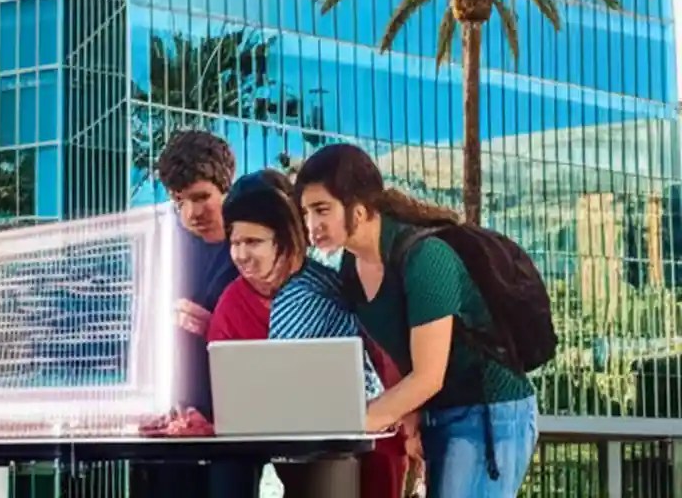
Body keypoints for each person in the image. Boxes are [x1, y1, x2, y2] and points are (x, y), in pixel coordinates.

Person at [295, 143, 537, 497]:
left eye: (321, 210)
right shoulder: (351, 267)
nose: (311, 225)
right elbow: (396, 350)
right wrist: (409, 420)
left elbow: (428, 375)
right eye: (305, 213)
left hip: (490, 413)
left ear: (359, 210)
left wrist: (355, 423)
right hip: (439, 412)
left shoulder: (426, 258)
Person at [204, 169, 413, 498]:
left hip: (370, 444)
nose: (241, 255)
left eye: (254, 242)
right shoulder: (231, 305)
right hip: (296, 453)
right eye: (235, 243)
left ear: (286, 239)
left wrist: (410, 423)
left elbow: (387, 361)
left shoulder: (335, 289)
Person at [134, 130, 250, 498]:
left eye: (201, 198)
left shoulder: (251, 247)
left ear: (225, 189)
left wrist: (212, 326)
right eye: (178, 200)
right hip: (169, 422)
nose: (191, 213)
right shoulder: (165, 246)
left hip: (232, 423)